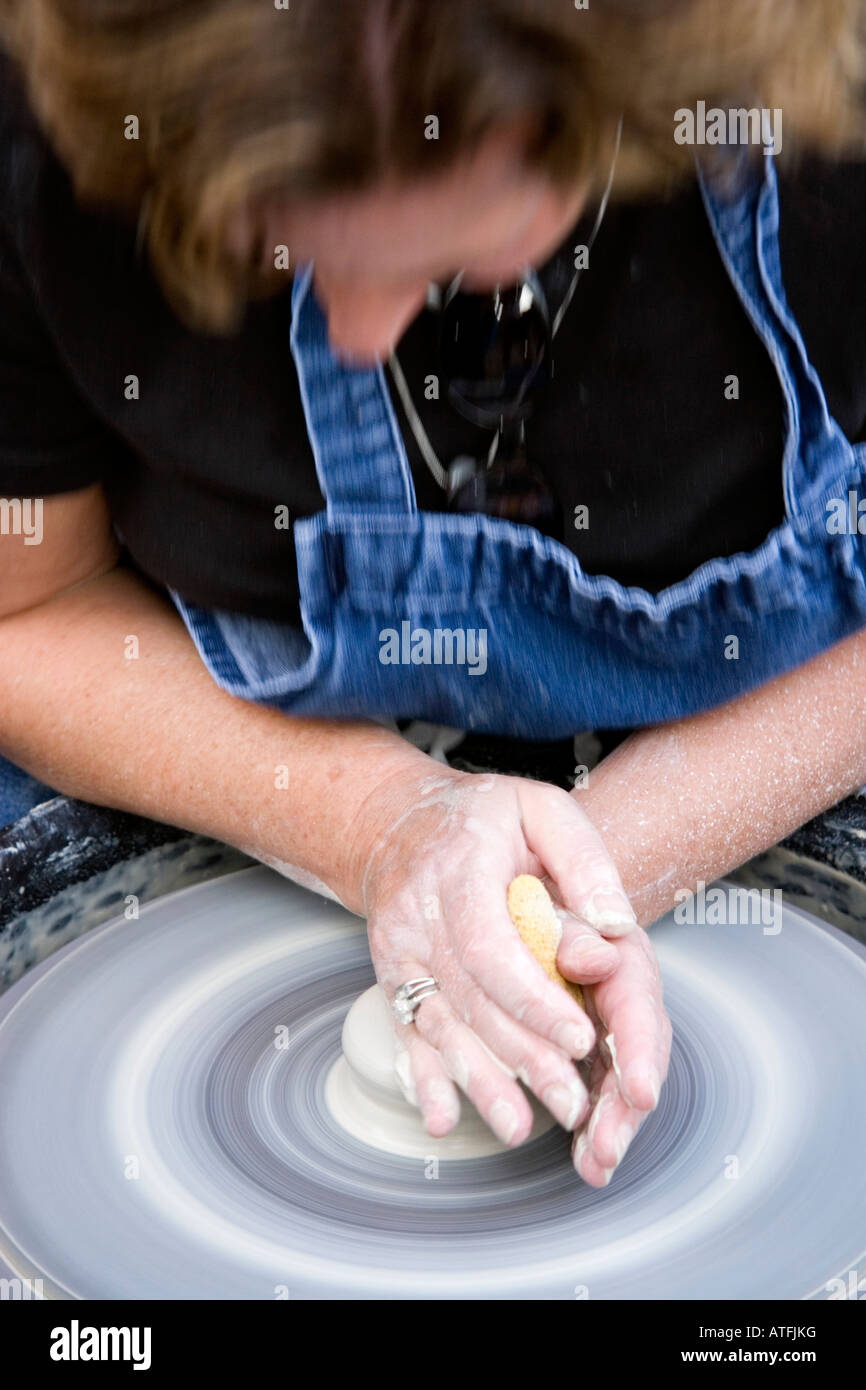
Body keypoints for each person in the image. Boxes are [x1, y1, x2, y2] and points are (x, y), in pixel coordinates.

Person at [1, 0, 865, 1187]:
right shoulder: (47, 106)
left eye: (440, 246)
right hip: (226, 754)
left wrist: (566, 896)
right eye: (278, 239)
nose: (355, 330)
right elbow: (26, 611)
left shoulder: (827, 106)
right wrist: (388, 830)